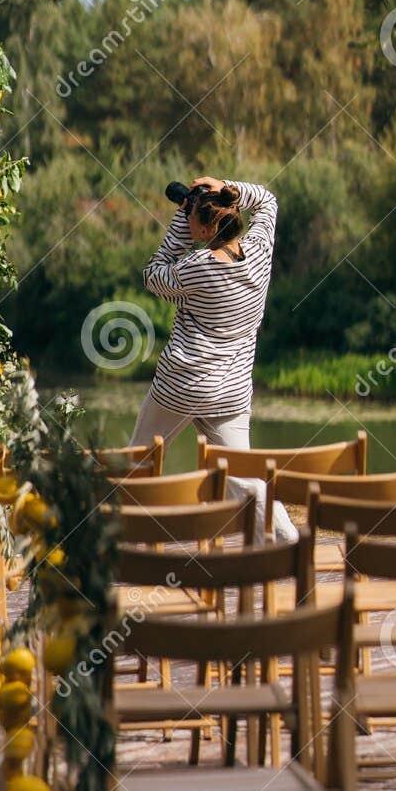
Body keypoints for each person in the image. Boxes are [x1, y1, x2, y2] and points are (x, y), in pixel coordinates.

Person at [128, 175, 297, 540]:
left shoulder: (198, 267)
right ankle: (288, 542)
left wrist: (180, 222)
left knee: (136, 466)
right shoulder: (260, 252)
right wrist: (228, 186)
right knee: (248, 481)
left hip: (181, 386)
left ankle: (113, 545)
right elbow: (268, 201)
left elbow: (153, 276)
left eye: (192, 218)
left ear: (204, 228)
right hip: (230, 393)